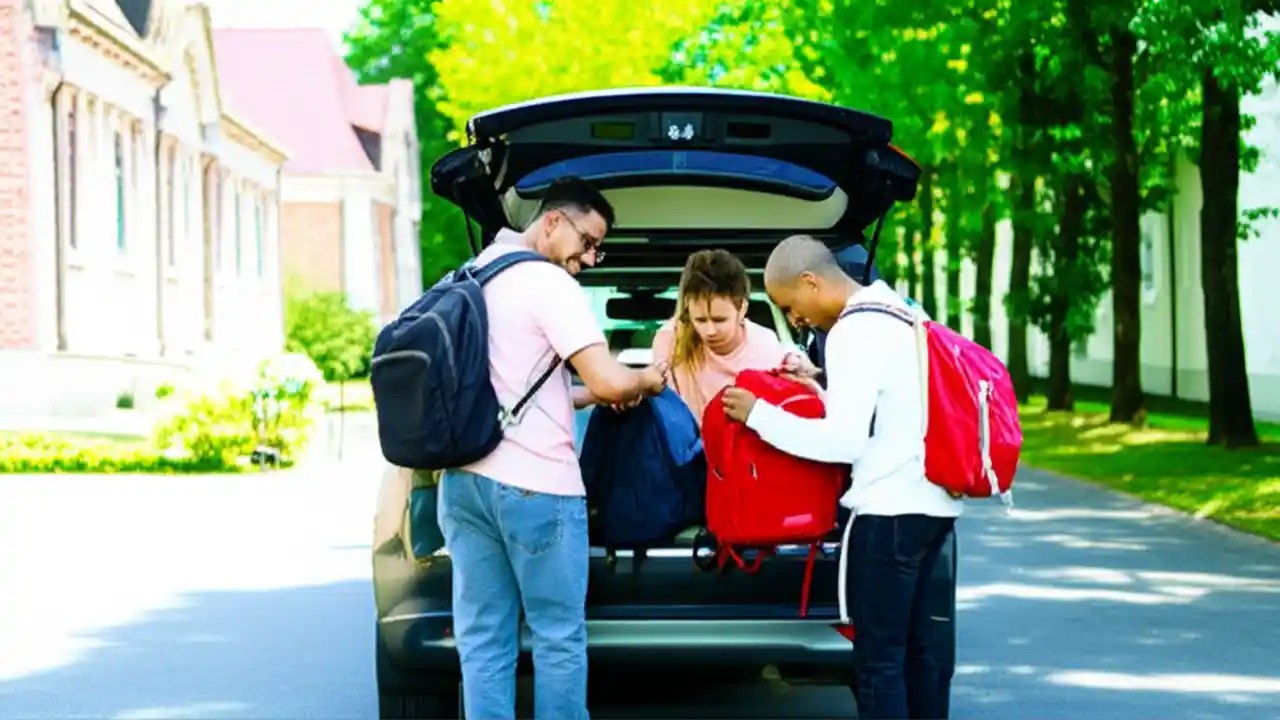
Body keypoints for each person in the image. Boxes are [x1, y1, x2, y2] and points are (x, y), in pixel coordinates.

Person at [438, 177, 668, 720]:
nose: (590, 258)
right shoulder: (546, 283)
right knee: (557, 637)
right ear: (552, 222)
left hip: (464, 484)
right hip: (536, 487)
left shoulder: (469, 276)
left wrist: (586, 397)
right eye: (588, 241)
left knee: (483, 640)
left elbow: (522, 383)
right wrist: (647, 382)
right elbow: (613, 380)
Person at [720, 234, 961, 720]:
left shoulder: (854, 329)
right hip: (933, 505)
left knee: (877, 662)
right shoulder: (903, 313)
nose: (794, 319)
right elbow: (888, 415)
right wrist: (817, 386)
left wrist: (759, 415)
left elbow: (845, 442)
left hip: (889, 513)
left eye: (791, 305)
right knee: (920, 653)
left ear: (811, 281)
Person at [649, 249, 816, 425]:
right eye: (700, 320)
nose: (710, 330)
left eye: (719, 320)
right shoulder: (670, 340)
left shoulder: (765, 345)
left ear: (742, 308)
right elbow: (668, 413)